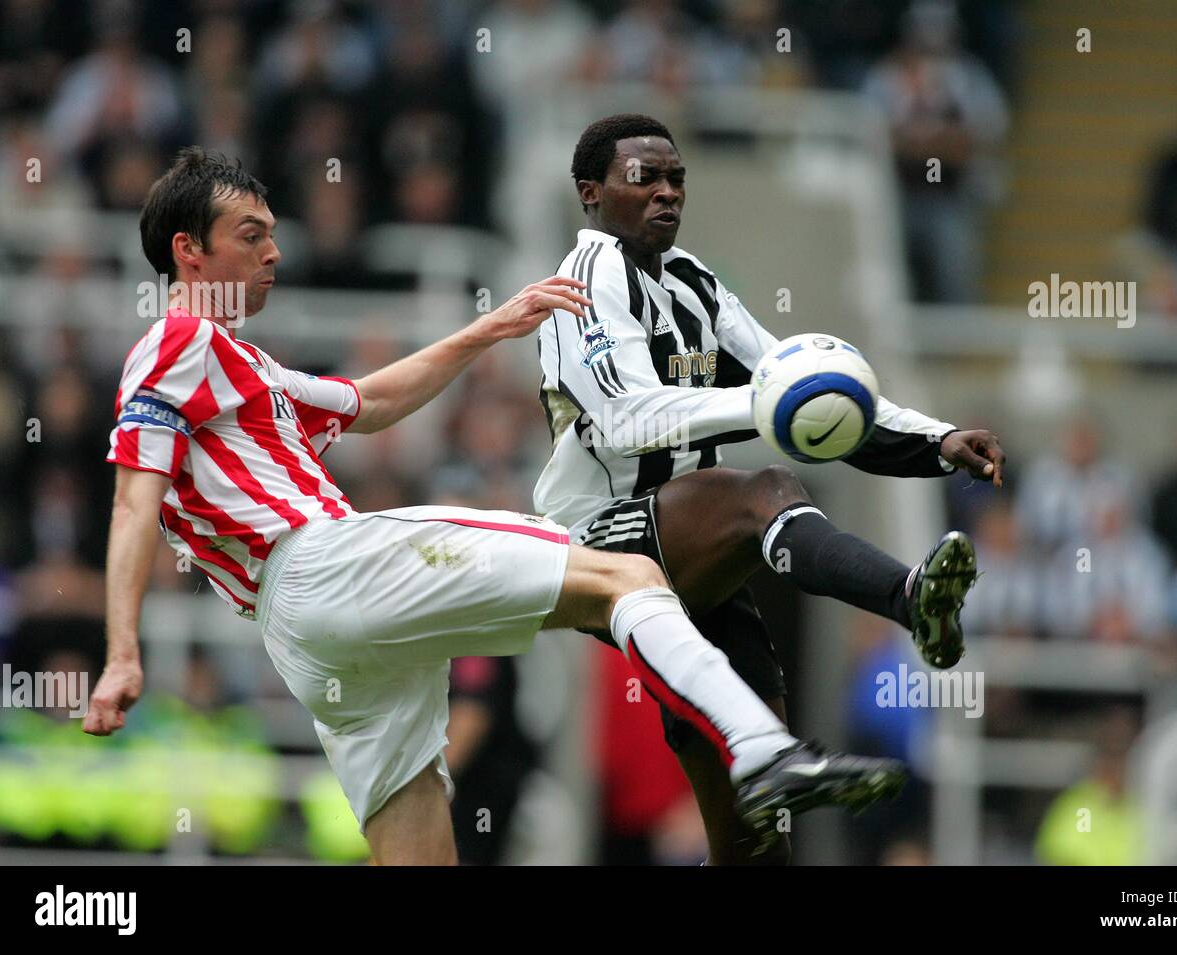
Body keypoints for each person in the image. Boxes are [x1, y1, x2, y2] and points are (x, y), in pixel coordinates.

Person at [81, 147, 907, 865]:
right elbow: (130, 501)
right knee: (628, 573)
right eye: (251, 236)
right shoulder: (179, 343)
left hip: (306, 637)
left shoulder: (235, 363)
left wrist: (489, 329)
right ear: (188, 252)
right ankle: (763, 753)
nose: (275, 252)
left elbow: (366, 401)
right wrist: (123, 652)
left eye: (272, 231)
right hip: (325, 564)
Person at [535, 114, 1005, 864]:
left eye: (676, 178)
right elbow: (624, 420)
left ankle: (770, 773)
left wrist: (936, 439)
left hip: (687, 552)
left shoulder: (693, 282)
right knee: (767, 488)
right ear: (591, 193)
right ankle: (907, 597)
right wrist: (767, 403)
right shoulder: (584, 279)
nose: (666, 193)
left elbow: (804, 387)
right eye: (643, 178)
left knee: (755, 833)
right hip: (600, 538)